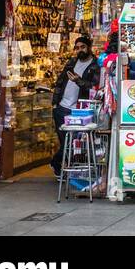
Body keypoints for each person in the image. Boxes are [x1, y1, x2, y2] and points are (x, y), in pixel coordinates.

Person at [50, 35, 99, 178]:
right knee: (65, 140)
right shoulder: (72, 62)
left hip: (79, 110)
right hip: (62, 108)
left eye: (82, 47)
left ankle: (57, 164)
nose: (80, 50)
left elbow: (94, 88)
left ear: (89, 47)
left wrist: (79, 81)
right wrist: (55, 103)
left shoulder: (95, 65)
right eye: (77, 48)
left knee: (73, 142)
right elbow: (60, 82)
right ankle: (61, 169)